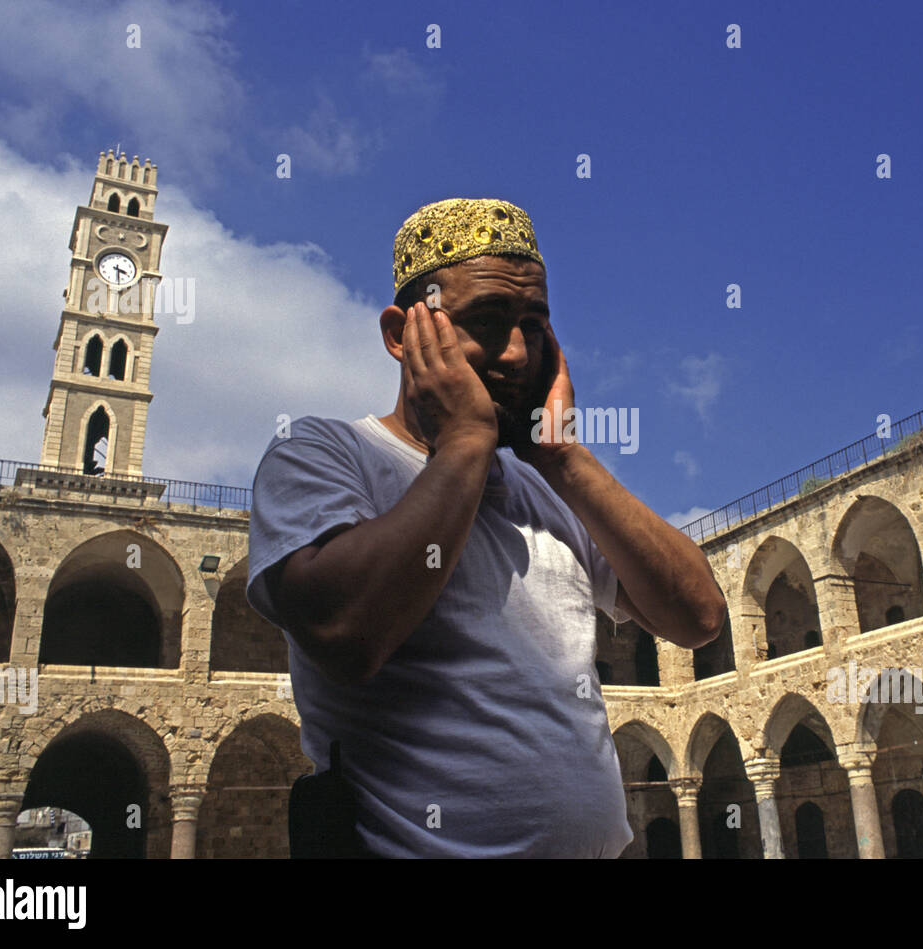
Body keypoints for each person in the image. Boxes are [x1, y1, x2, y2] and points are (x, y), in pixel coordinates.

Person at [245, 197, 726, 857]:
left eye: (535, 325)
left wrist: (565, 456)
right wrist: (467, 440)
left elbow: (698, 615)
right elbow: (345, 632)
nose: (517, 353)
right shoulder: (324, 455)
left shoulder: (550, 486)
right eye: (489, 322)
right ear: (400, 334)